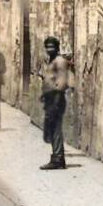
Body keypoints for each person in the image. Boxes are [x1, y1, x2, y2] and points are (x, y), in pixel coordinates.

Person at [38, 36, 70, 168]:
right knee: (51, 129)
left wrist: (55, 103)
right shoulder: (50, 61)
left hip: (56, 99)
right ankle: (57, 157)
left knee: (55, 129)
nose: (49, 49)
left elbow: (61, 83)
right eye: (47, 47)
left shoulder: (60, 61)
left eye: (52, 47)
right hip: (50, 98)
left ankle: (58, 159)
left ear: (57, 48)